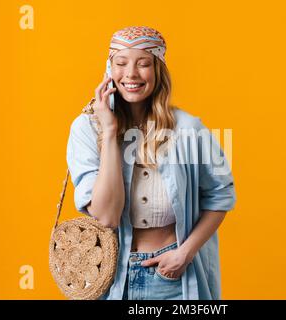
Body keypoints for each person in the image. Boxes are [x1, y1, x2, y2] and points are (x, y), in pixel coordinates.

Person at [66, 26, 236, 300]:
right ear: (109, 71)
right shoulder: (86, 128)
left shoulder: (190, 128)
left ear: (158, 71)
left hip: (173, 277)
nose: (131, 74)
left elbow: (220, 196)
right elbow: (106, 216)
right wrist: (109, 133)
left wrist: (185, 253)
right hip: (110, 277)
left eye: (143, 63)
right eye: (121, 63)